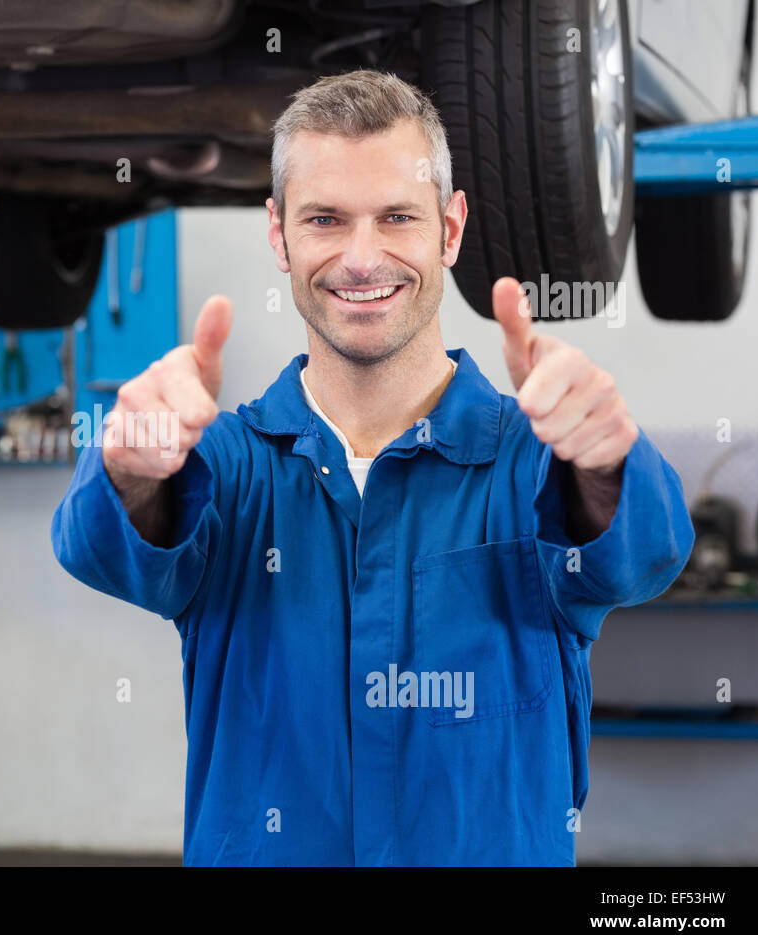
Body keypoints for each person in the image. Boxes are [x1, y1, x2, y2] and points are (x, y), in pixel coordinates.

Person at [50, 71, 694, 865]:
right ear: (279, 234)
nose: (362, 258)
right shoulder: (227, 465)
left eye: (397, 217)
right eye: (324, 219)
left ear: (449, 230)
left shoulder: (531, 462)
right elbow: (94, 546)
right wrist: (131, 465)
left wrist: (604, 460)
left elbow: (648, 554)